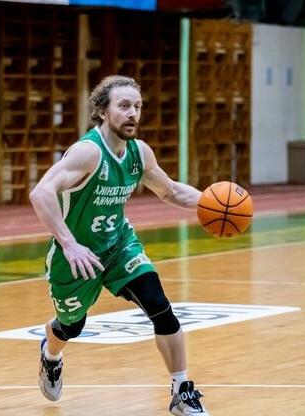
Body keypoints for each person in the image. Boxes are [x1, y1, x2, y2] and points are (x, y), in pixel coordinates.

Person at [29, 75, 209, 416]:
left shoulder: (139, 152)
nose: (132, 114)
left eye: (137, 107)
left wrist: (209, 204)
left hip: (119, 245)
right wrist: (69, 244)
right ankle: (50, 355)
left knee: (159, 305)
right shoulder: (87, 152)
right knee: (71, 325)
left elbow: (169, 190)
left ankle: (181, 390)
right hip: (77, 257)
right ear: (102, 111)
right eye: (124, 106)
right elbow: (40, 193)